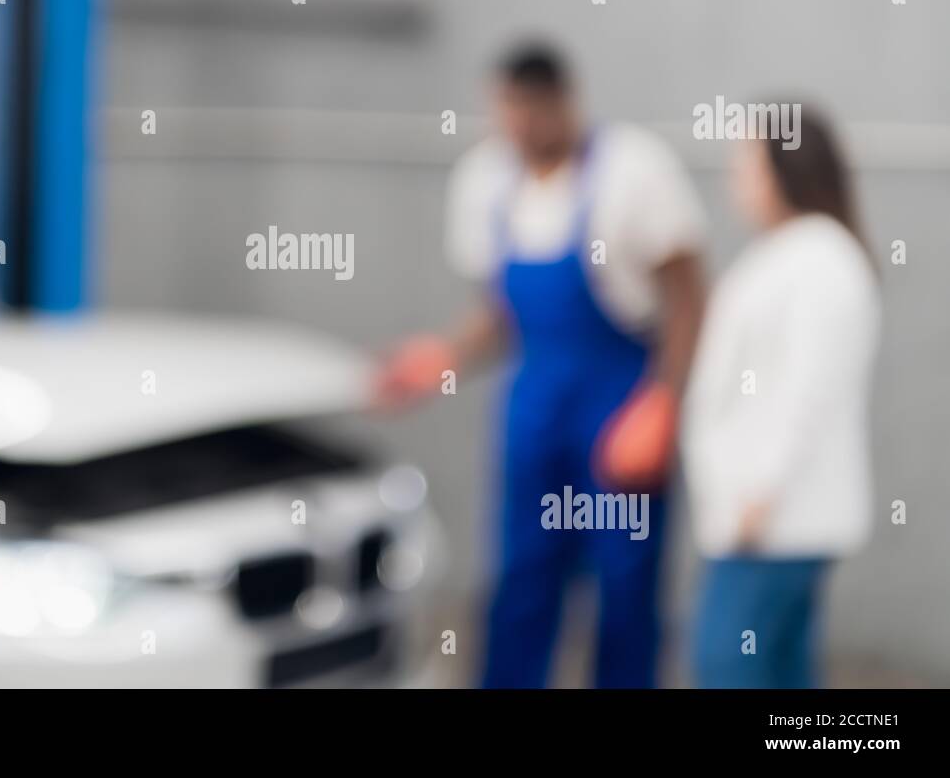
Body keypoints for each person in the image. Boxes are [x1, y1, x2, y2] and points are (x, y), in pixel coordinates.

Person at [377, 43, 707, 687]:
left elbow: (688, 298)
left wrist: (664, 404)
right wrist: (443, 356)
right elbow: (501, 313)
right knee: (522, 573)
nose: (519, 128)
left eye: (532, 112)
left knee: (625, 581)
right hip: (533, 403)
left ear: (565, 102)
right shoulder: (486, 180)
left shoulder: (633, 172)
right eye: (507, 111)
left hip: (619, 397)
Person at [683, 109, 880, 688]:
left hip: (773, 521)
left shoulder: (821, 260)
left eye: (746, 166)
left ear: (784, 168)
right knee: (782, 673)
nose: (736, 182)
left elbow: (807, 391)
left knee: (728, 663)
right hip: (763, 517)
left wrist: (760, 494)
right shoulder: (791, 254)